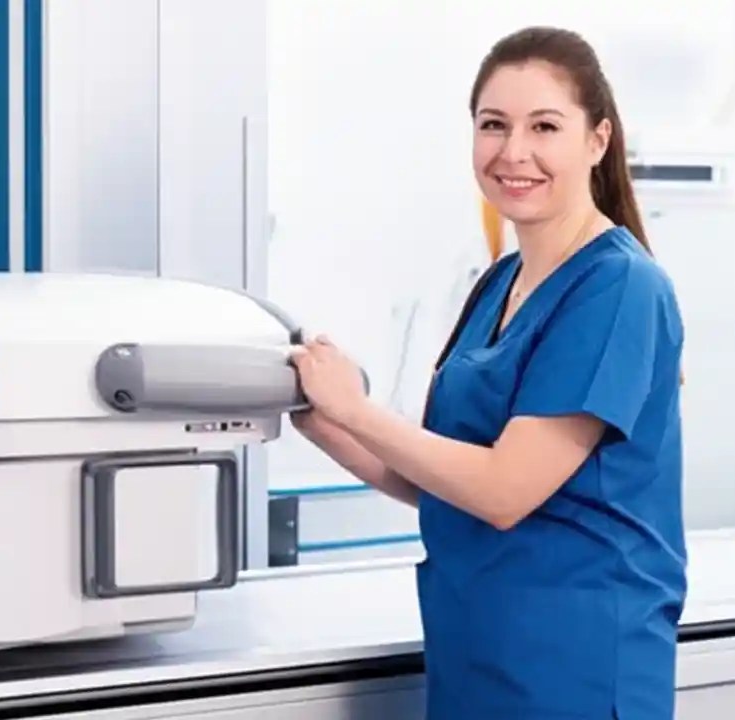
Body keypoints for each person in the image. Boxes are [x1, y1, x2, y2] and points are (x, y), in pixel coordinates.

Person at [288, 25, 687, 719]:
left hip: (576, 670)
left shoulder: (619, 287)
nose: (514, 152)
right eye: (493, 125)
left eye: (545, 126)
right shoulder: (499, 284)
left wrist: (356, 410)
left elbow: (505, 490)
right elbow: (442, 481)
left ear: (598, 141)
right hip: (479, 658)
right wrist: (314, 415)